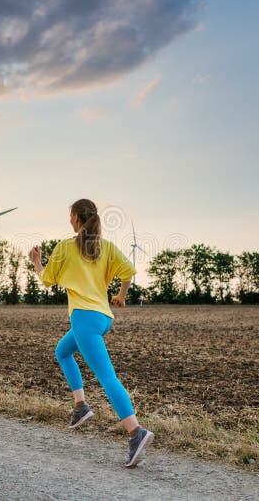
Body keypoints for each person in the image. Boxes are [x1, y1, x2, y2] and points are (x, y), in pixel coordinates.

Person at [29, 198, 154, 468]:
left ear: (75, 217)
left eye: (69, 215)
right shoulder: (105, 247)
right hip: (102, 317)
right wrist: (120, 295)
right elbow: (128, 272)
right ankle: (80, 406)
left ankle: (135, 432)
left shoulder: (65, 247)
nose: (69, 219)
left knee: (107, 377)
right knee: (62, 352)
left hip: (84, 319)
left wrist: (37, 262)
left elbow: (47, 280)